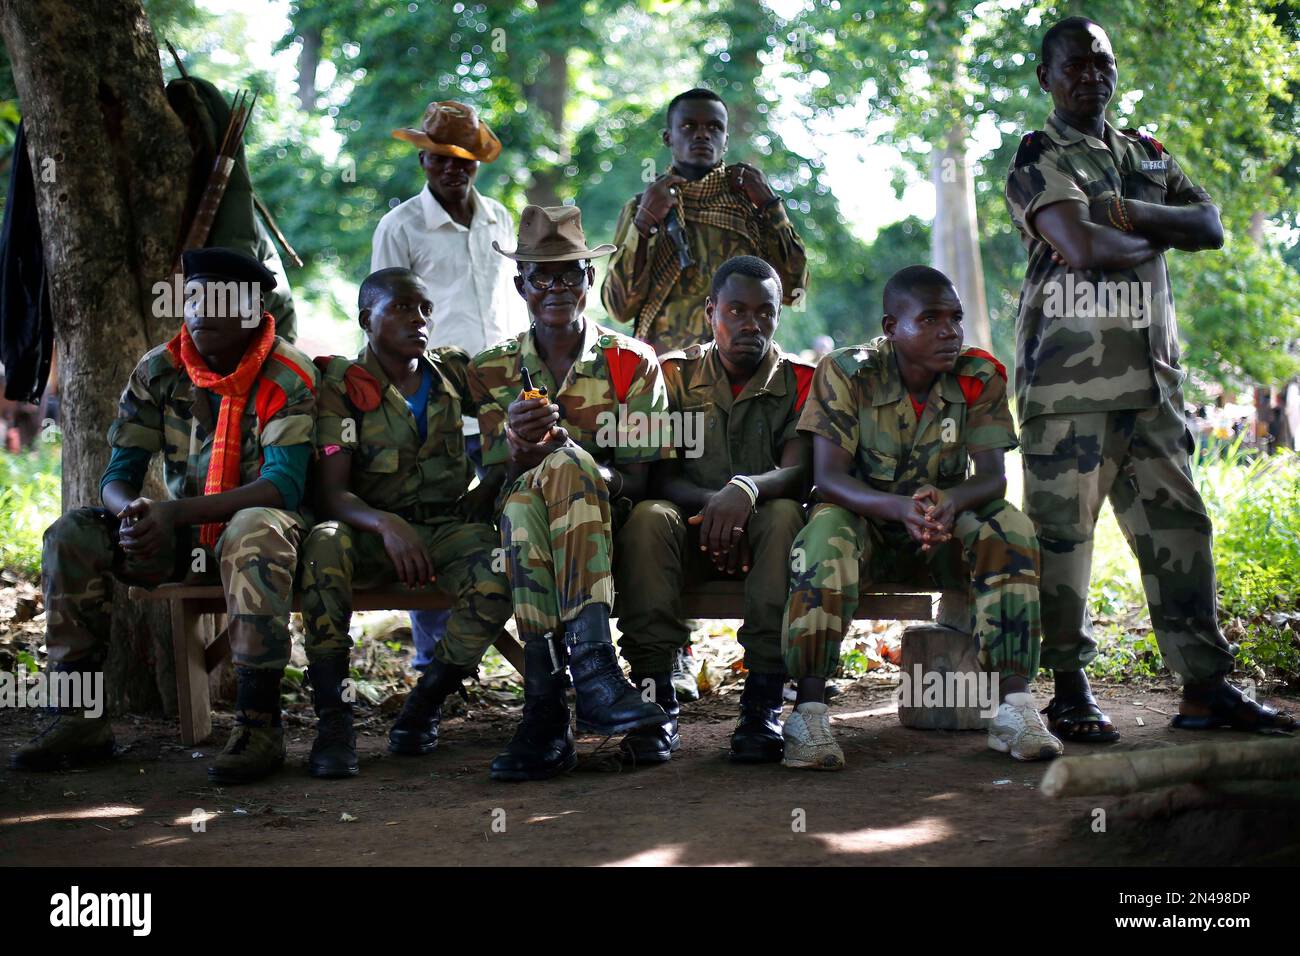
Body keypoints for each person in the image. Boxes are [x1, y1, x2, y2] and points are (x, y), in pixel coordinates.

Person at [1005, 16, 1296, 739]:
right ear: (1046, 77)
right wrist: (1148, 233)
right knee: (1064, 544)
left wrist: (1130, 213)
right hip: (1068, 389)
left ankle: (1205, 690)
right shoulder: (1038, 157)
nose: (1089, 75)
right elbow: (1079, 242)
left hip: (1154, 386)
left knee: (1182, 532)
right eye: (1072, 64)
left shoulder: (1145, 151)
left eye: (1100, 62)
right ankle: (1069, 691)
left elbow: (1210, 225)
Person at [10, 249, 318, 783]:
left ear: (253, 309)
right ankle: (78, 719)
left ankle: (258, 726)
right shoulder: (161, 369)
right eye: (193, 298)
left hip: (267, 540)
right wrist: (133, 516)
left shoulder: (287, 374)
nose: (198, 313)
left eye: (217, 302)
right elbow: (118, 474)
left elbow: (281, 486)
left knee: (255, 527)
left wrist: (171, 514)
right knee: (71, 534)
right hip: (182, 536)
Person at [782, 266, 1062, 769]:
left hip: (941, 533)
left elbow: (993, 478)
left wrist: (952, 501)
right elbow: (828, 478)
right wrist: (898, 508)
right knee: (824, 534)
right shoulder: (848, 372)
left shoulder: (979, 375)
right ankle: (809, 711)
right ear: (891, 327)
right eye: (930, 319)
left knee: (1009, 526)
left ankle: (1015, 707)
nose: (949, 330)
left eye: (954, 318)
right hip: (864, 528)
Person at [468, 205, 671, 782]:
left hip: (609, 515)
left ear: (590, 281)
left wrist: (567, 460)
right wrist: (517, 450)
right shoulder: (492, 370)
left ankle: (546, 715)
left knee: (562, 470)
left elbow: (641, 477)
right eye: (541, 276)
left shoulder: (632, 363)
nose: (556, 288)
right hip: (520, 517)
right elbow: (494, 482)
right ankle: (595, 675)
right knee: (529, 504)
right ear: (520, 286)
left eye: (570, 274)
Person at [297, 268, 512, 778]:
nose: (418, 320)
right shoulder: (342, 385)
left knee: (501, 568)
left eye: (424, 309)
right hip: (368, 531)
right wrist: (386, 524)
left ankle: (426, 703)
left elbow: (502, 432)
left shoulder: (454, 372)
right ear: (365, 319)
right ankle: (334, 724)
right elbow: (332, 492)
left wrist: (490, 487)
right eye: (400, 308)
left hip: (446, 526)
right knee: (324, 545)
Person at [614, 255, 811, 765]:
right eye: (737, 311)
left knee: (786, 513)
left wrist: (745, 493)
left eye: (765, 312)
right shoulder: (671, 377)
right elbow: (656, 475)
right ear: (710, 312)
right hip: (689, 532)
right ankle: (655, 698)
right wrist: (719, 506)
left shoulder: (799, 381)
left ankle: (763, 702)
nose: (752, 324)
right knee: (647, 516)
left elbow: (800, 470)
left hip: (761, 538)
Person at [372, 101, 528, 673]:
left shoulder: (500, 220)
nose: (452, 169)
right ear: (423, 159)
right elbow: (379, 311)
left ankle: (507, 646)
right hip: (432, 398)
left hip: (497, 400)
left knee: (498, 519)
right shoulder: (400, 226)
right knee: (434, 515)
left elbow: (512, 305)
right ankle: (435, 664)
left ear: (477, 165)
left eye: (463, 160)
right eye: (441, 158)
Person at [602, 87, 809, 355]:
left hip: (741, 370)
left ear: (725, 140)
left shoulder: (751, 207)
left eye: (714, 127)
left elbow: (794, 291)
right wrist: (644, 222)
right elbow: (619, 308)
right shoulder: (643, 207)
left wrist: (770, 204)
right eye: (688, 126)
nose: (702, 134)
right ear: (668, 137)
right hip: (665, 373)